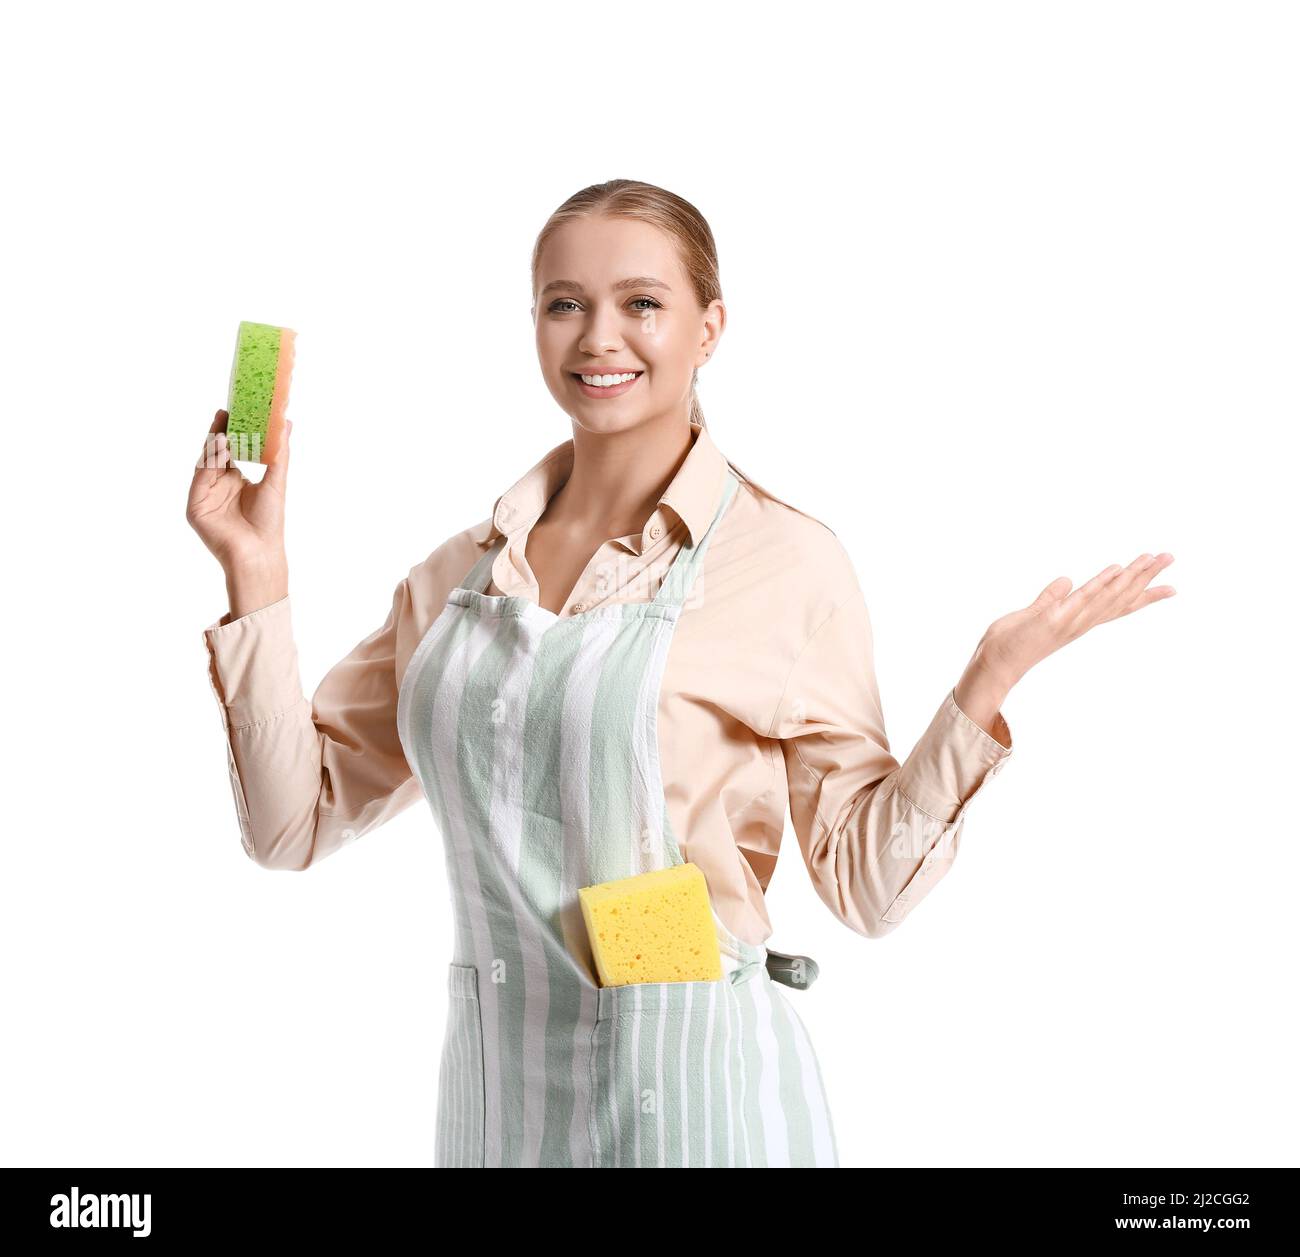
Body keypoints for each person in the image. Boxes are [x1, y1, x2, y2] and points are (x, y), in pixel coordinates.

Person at [186, 179, 1175, 1169]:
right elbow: (290, 824)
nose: (596, 338)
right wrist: (255, 574)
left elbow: (867, 887)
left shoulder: (784, 563)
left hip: (696, 1111)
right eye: (564, 303)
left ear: (708, 329)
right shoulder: (455, 580)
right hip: (499, 1117)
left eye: (641, 304)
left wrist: (985, 684)